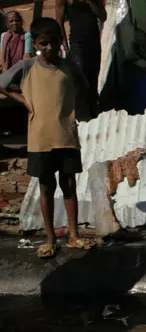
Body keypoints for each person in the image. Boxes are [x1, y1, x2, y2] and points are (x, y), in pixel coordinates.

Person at [0, 18, 95, 259]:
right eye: (44, 43)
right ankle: (50, 238)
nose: (50, 48)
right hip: (40, 138)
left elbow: (83, 87)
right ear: (36, 43)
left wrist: (73, 109)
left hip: (65, 135)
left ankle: (74, 235)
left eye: (54, 42)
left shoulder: (69, 67)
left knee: (69, 184)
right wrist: (24, 101)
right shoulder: (28, 66)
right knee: (45, 186)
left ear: (60, 41)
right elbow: (3, 84)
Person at [56, 0, 105, 121]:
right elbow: (59, 23)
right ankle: (81, 119)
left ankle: (93, 116)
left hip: (93, 42)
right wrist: (65, 47)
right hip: (77, 44)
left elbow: (102, 16)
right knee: (80, 81)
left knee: (93, 79)